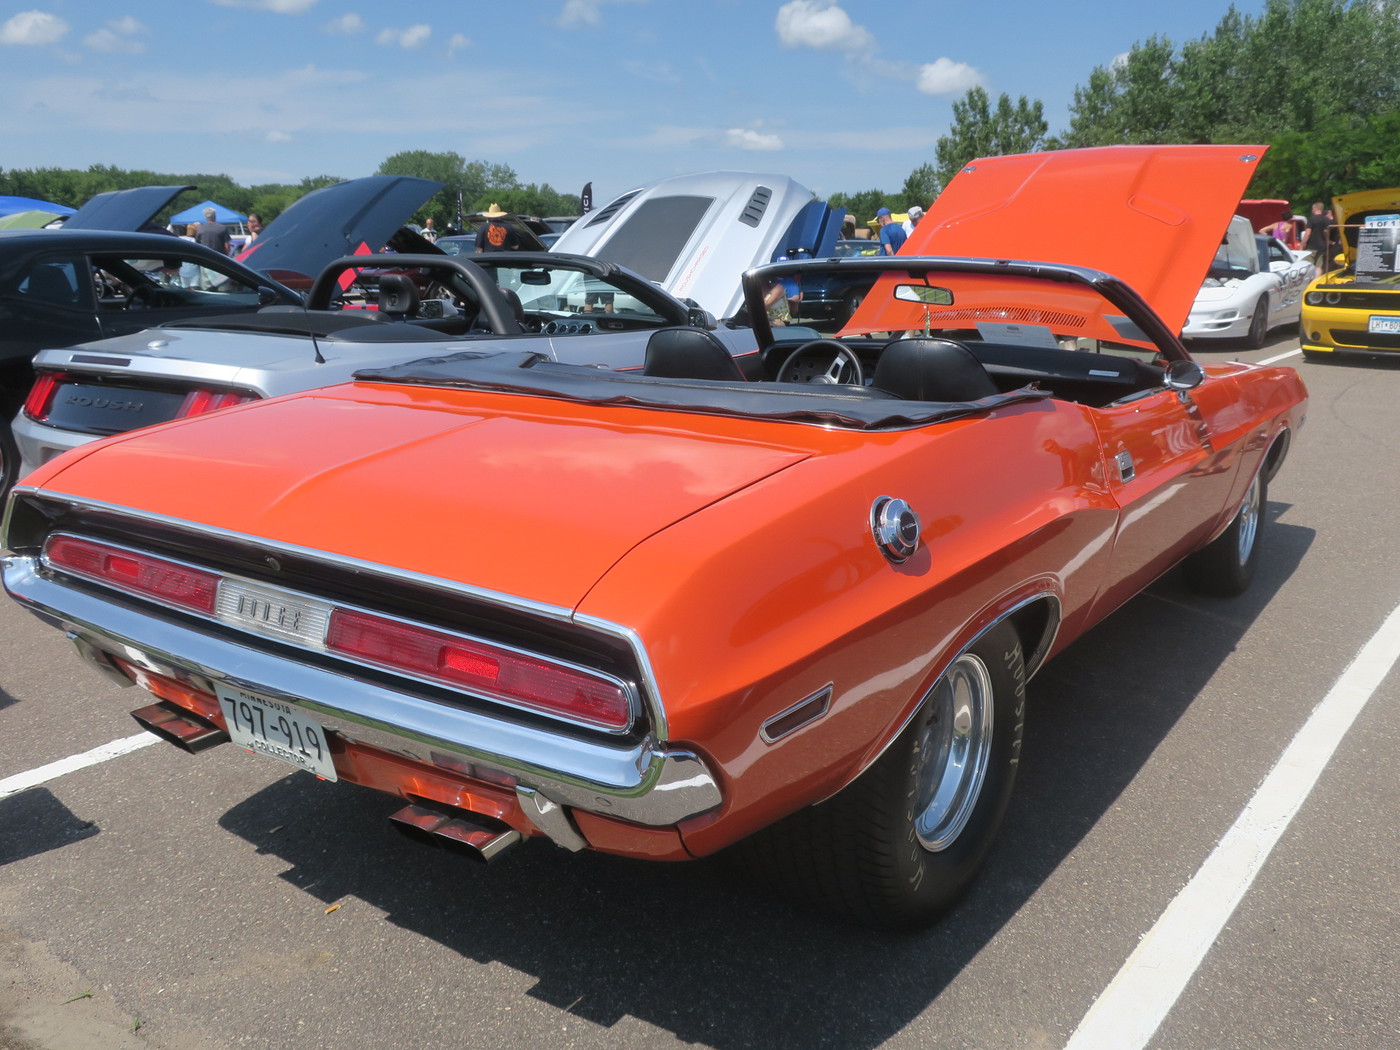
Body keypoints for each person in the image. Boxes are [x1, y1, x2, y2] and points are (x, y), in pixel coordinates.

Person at [1303, 201, 1331, 267]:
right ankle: (1318, 277)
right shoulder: (1327, 220)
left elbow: (1308, 233)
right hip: (1322, 247)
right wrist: (1327, 242)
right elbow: (1326, 232)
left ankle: (1311, 278)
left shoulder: (1311, 219)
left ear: (1315, 209)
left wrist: (1302, 244)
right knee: (1319, 267)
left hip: (1311, 247)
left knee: (1309, 266)